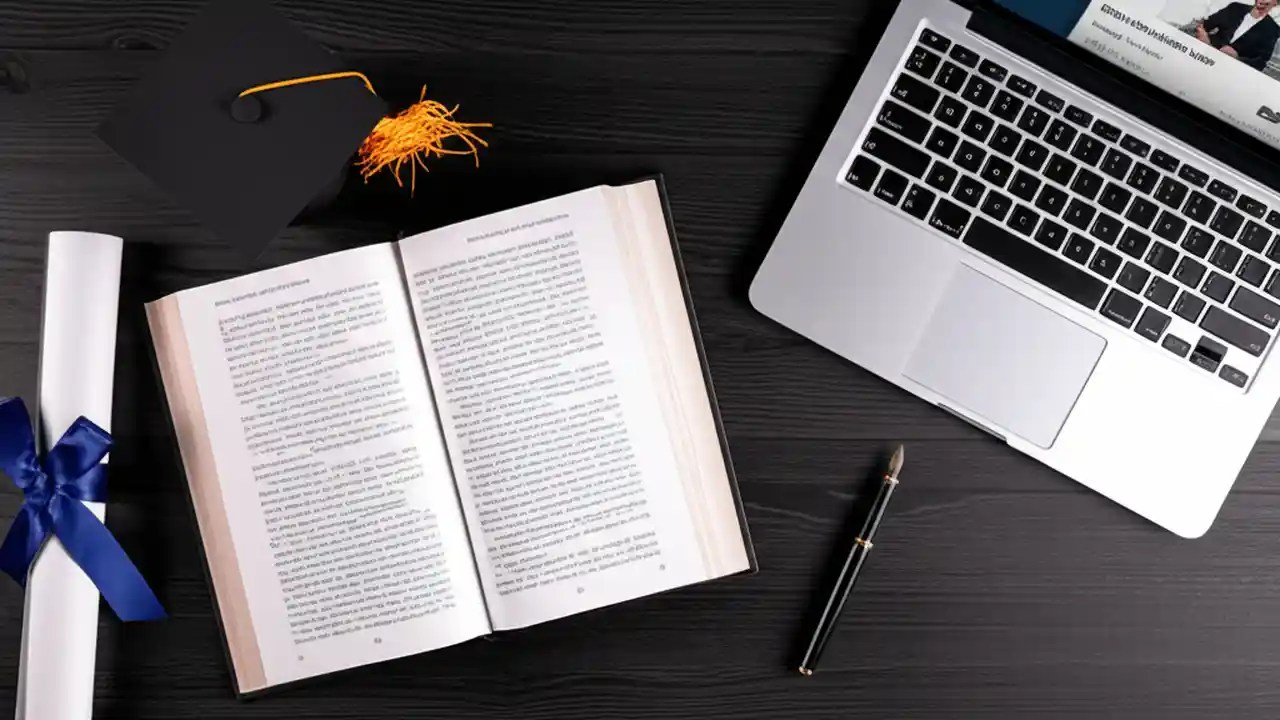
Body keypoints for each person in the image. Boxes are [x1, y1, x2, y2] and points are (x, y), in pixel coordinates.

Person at [1196, 0, 1280, 71]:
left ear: (1275, 3)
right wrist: (1204, 37)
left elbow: (1261, 62)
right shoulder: (1235, 8)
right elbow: (1204, 25)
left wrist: (1237, 58)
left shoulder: (1272, 29)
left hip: (1230, 70)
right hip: (1203, 58)